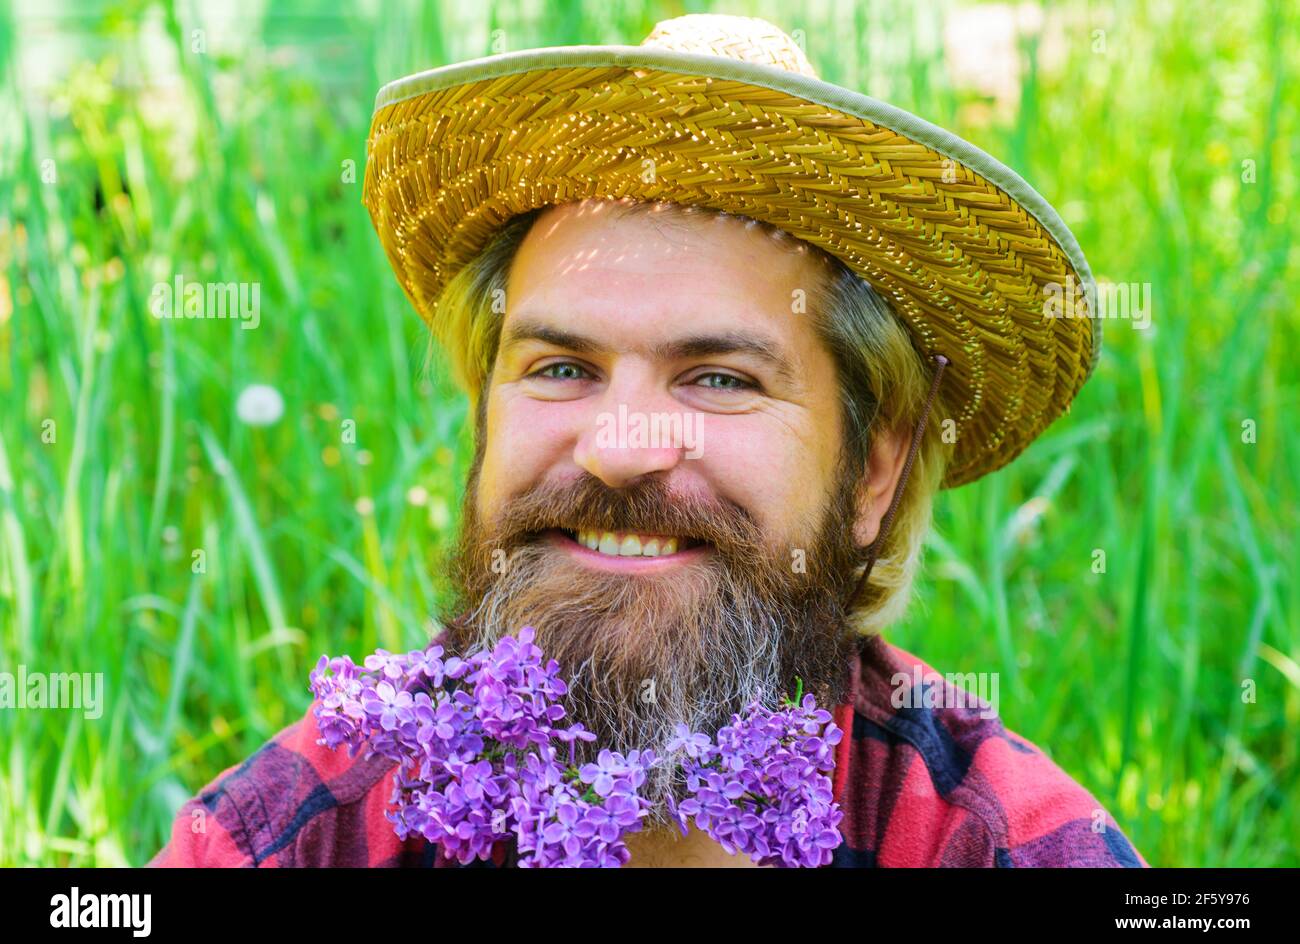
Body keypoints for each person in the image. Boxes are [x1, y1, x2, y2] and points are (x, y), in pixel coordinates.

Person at [150, 14, 1144, 868]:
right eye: (561, 369)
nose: (617, 448)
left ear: (872, 472)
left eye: (719, 379)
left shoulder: (997, 842)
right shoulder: (293, 834)